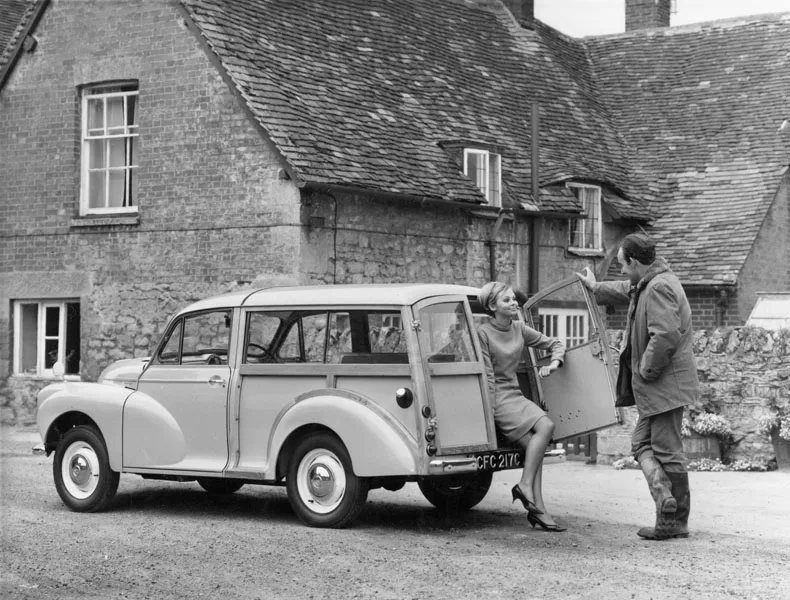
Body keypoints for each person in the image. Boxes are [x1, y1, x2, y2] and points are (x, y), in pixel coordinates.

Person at [576, 233, 697, 540]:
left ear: (634, 262)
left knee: (667, 451)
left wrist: (645, 369)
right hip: (659, 388)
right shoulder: (649, 281)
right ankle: (665, 499)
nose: (622, 272)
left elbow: (666, 335)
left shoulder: (658, 287)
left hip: (662, 385)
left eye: (622, 266)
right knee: (641, 443)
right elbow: (627, 288)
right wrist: (595, 287)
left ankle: (675, 521)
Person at [477, 281, 567, 532]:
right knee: (544, 429)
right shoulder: (483, 333)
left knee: (535, 448)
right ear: (492, 306)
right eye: (507, 300)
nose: (514, 303)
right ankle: (537, 507)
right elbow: (487, 376)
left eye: (513, 299)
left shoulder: (519, 328)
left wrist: (554, 364)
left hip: (515, 395)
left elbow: (555, 344)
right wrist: (489, 412)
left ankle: (531, 498)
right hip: (498, 399)